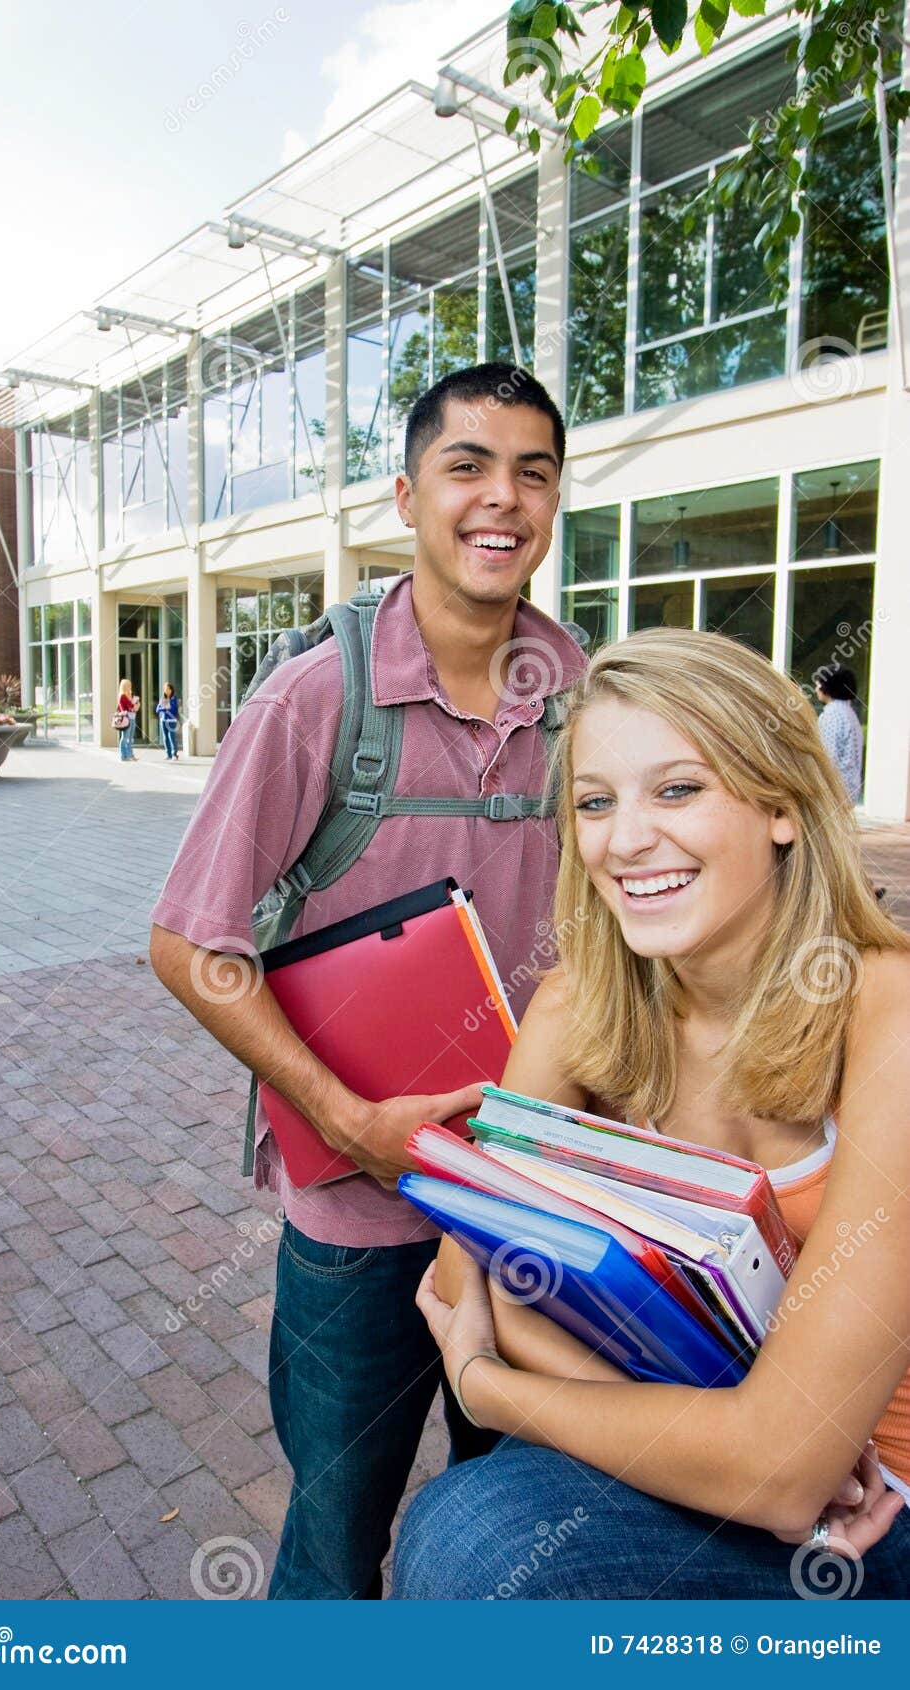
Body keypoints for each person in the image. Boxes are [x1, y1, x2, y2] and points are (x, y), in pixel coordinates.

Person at [149, 363, 588, 1599]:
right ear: (406, 495)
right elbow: (191, 943)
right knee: (337, 1545)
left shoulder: (583, 695)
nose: (500, 498)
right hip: (360, 1212)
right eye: (467, 466)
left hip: (534, 1206)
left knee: (524, 1540)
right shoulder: (313, 697)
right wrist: (341, 1117)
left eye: (532, 471)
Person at [393, 627, 910, 1600]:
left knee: (478, 1540)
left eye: (676, 789)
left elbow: (788, 1469)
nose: (624, 838)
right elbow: (465, 1284)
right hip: (707, 1470)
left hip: (874, 1511)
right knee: (470, 1535)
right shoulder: (582, 1003)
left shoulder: (887, 1009)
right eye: (595, 801)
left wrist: (487, 1388)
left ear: (781, 806)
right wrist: (750, 1435)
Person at [816, 665, 864, 804]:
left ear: (828, 688)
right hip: (850, 787)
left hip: (834, 790)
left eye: (819, 684)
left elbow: (828, 756)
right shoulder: (849, 713)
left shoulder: (832, 715)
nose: (816, 689)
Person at [116, 679, 139, 761]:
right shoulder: (123, 696)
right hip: (126, 718)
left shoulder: (128, 695)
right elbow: (131, 706)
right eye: (128, 685)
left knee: (130, 738)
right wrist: (135, 705)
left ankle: (130, 755)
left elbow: (134, 708)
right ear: (125, 686)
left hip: (132, 718)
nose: (130, 687)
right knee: (125, 737)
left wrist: (135, 705)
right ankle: (124, 755)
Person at [156, 682, 180, 760]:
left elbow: (173, 709)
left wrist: (166, 707)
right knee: (165, 737)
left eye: (168, 689)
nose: (166, 690)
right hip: (164, 720)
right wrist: (165, 708)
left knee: (171, 736)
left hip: (172, 720)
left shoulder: (174, 699)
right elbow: (158, 709)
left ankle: (174, 754)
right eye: (165, 689)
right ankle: (168, 754)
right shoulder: (163, 698)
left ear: (171, 690)